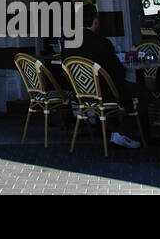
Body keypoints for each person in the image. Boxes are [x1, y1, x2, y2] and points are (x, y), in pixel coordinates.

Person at [63, 12, 149, 148]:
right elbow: (118, 71)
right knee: (143, 93)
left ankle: (113, 130)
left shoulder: (68, 44)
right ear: (95, 22)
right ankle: (128, 132)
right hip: (105, 92)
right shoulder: (102, 42)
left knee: (121, 90)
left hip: (80, 93)